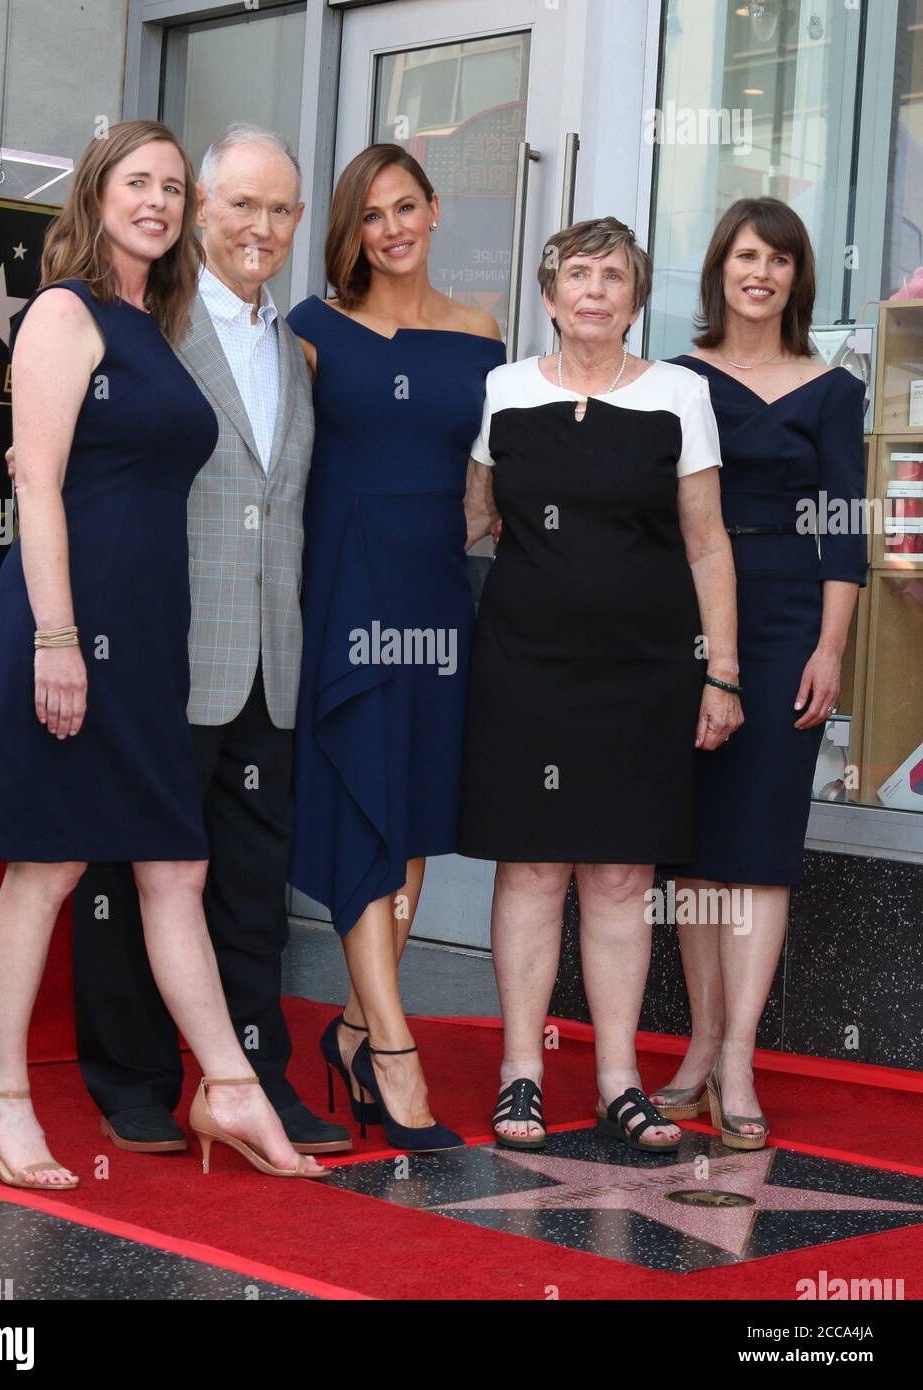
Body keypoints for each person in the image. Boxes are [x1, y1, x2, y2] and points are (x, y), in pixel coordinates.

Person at [0, 119, 326, 1187]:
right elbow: (35, 483)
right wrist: (58, 637)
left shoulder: (157, 321)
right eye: (140, 183)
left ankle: (227, 1085)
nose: (159, 203)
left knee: (177, 864)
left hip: (152, 638)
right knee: (48, 867)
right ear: (96, 193)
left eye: (173, 187)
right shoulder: (65, 313)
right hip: (69, 627)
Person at [65, 124, 349, 1158]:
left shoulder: (296, 347)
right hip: (162, 649)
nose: (259, 228)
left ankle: (252, 1078)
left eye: (279, 210)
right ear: (200, 211)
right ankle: (131, 1080)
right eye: (238, 205)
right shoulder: (149, 328)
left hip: (270, 662)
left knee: (248, 894)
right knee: (128, 876)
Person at [458, 218, 742, 1152]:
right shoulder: (503, 390)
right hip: (526, 668)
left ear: (634, 297)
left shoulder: (678, 394)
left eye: (612, 277)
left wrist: (722, 672)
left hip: (646, 672)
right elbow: (477, 519)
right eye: (576, 275)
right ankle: (521, 1076)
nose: (593, 291)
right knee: (533, 866)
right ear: (548, 297)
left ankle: (620, 1081)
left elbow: (706, 540)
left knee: (621, 872)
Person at [286, 144, 506, 1152]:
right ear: (349, 230)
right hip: (343, 586)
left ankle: (351, 1030)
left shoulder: (481, 331)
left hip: (433, 591)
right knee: (364, 807)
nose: (390, 228)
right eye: (369, 214)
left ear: (432, 209)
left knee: (408, 813)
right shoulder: (312, 332)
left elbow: (485, 473)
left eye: (405, 206)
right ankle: (392, 1049)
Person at [649, 198, 867, 1149]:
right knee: (693, 845)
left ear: (796, 278)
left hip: (786, 623)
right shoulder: (676, 379)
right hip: (690, 620)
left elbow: (846, 535)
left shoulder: (832, 389)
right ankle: (696, 1048)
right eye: (746, 255)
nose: (762, 273)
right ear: (720, 269)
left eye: (780, 260)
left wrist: (831, 650)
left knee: (763, 843)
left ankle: (738, 1055)